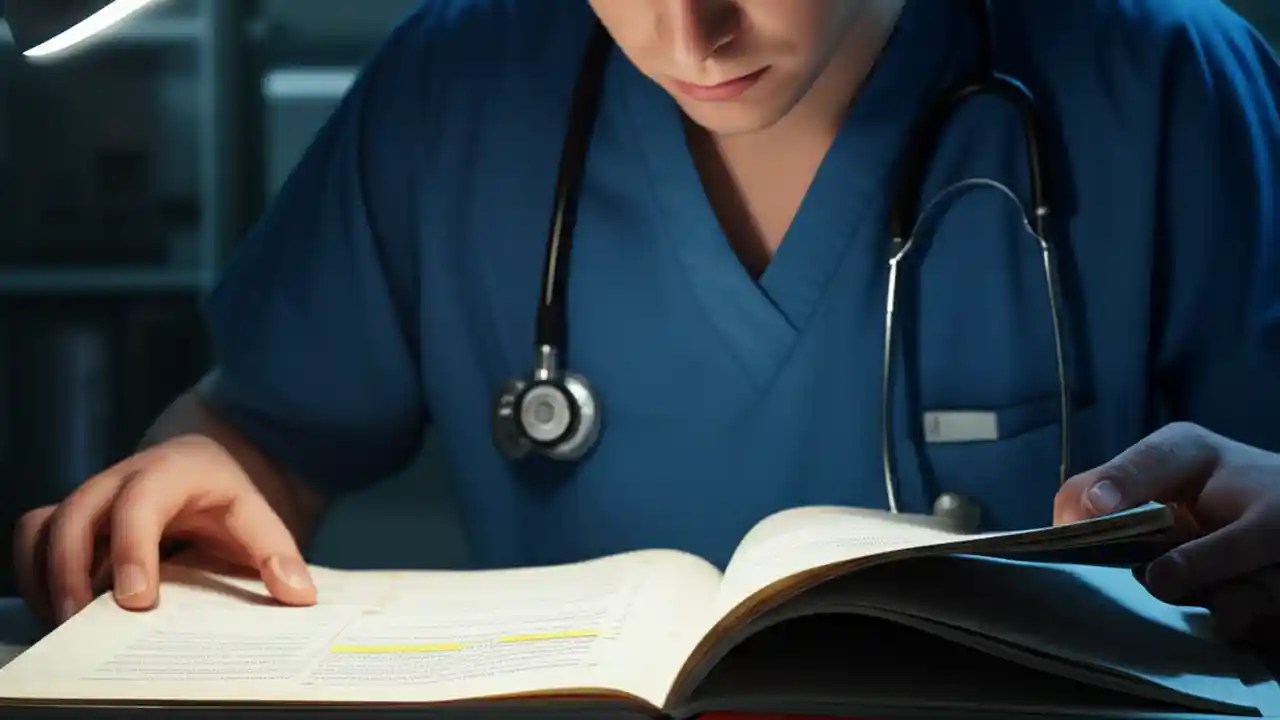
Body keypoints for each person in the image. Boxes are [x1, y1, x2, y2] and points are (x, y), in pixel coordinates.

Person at [11, 0, 1280, 643]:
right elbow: (265, 433)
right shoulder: (462, 85)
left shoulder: (1160, 75)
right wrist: (202, 474)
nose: (689, 34)